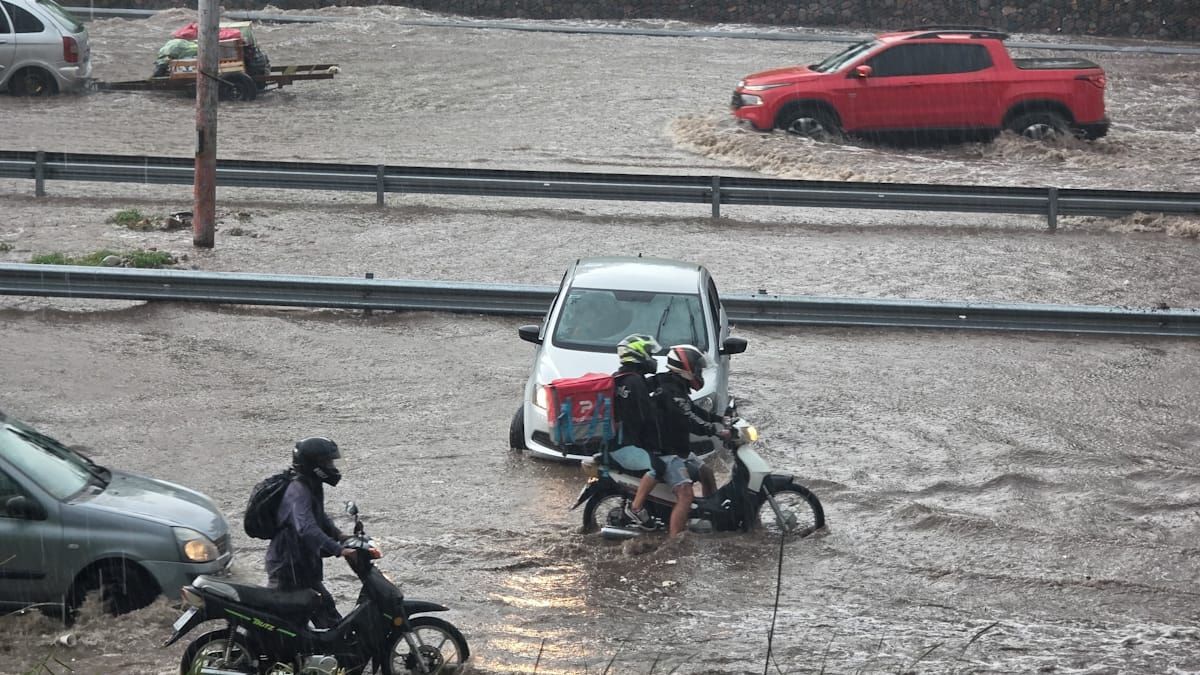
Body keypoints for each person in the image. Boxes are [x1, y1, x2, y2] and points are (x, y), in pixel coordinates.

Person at [626, 344, 727, 537]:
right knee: (686, 495)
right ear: (685, 368)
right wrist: (716, 431)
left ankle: (711, 517)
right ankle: (674, 543)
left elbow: (694, 410)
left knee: (706, 472)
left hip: (677, 450)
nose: (699, 373)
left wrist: (720, 420)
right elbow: (689, 418)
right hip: (666, 453)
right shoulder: (669, 391)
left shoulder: (675, 387)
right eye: (697, 368)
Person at [265, 436, 355, 629]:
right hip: (288, 568)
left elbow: (319, 516)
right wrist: (339, 550)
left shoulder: (311, 484)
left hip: (301, 566)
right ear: (315, 465)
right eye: (327, 462)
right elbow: (306, 528)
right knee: (299, 622)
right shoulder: (298, 490)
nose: (332, 466)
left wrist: (339, 535)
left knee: (325, 613)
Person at [609, 334, 662, 477]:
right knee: (661, 468)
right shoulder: (636, 382)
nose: (653, 358)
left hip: (614, 445)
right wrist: (657, 447)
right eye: (650, 354)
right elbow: (647, 419)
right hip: (628, 448)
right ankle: (639, 500)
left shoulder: (618, 377)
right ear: (639, 355)